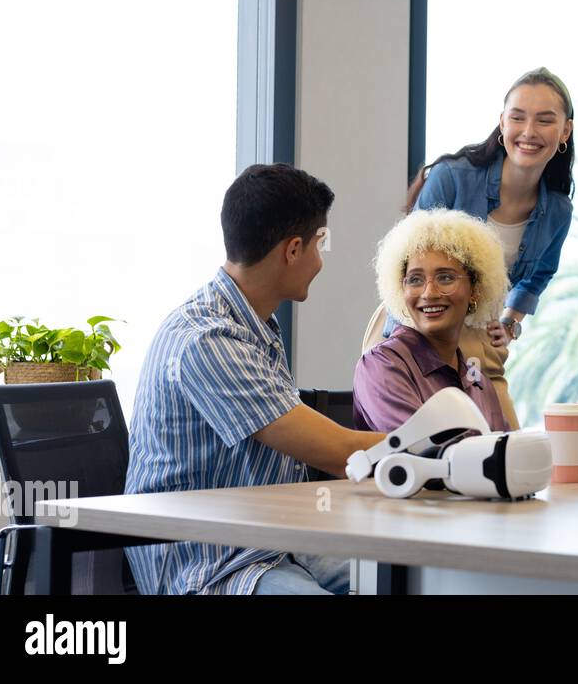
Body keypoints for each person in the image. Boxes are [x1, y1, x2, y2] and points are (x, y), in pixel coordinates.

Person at [124, 164, 384, 595]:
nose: (321, 260)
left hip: (271, 542)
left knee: (412, 574)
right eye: (320, 244)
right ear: (293, 249)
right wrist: (450, 450)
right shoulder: (209, 340)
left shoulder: (252, 325)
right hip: (209, 564)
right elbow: (340, 453)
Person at [363, 67, 576, 429]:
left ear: (565, 131)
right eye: (517, 118)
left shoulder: (558, 210)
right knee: (421, 450)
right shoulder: (452, 177)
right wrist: (408, 344)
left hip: (478, 336)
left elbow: (538, 276)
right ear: (502, 123)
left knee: (506, 453)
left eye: (544, 120)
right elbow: (409, 263)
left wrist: (510, 324)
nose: (528, 132)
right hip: (412, 325)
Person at [354, 209, 510, 433]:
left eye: (445, 277)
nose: (429, 293)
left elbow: (506, 453)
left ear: (475, 290)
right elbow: (426, 447)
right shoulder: (382, 365)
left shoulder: (479, 381)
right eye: (415, 279)